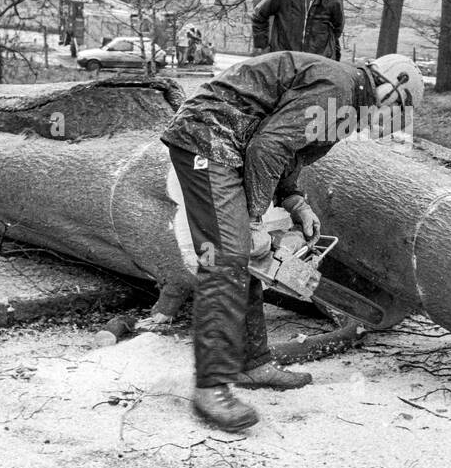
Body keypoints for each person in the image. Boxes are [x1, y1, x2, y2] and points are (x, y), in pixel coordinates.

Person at [160, 50, 423, 432]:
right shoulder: (339, 87)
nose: (390, 120)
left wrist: (294, 199)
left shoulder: (345, 105)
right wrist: (252, 219)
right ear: (388, 87)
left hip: (232, 143)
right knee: (228, 254)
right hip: (208, 136)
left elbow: (288, 149)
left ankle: (252, 363)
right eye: (395, 110)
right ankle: (210, 387)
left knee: (245, 256)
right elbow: (269, 147)